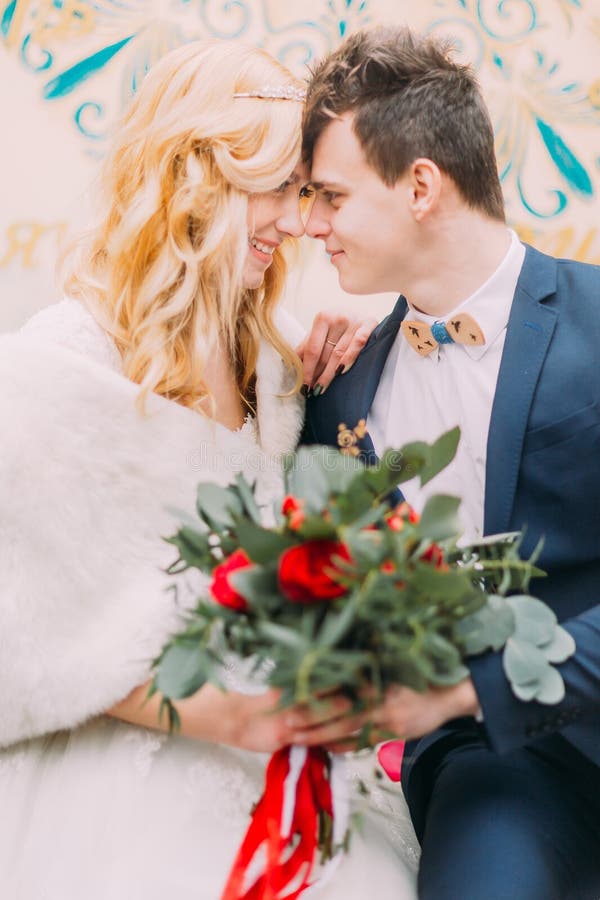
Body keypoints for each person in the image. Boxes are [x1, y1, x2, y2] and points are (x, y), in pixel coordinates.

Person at [0, 39, 421, 900]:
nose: (298, 221)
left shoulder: (274, 366)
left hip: (278, 753)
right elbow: (23, 639)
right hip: (126, 775)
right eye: (275, 188)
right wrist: (219, 714)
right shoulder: (62, 359)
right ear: (190, 180)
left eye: (306, 193)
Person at [296, 25, 600, 900]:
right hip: (494, 769)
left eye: (331, 197)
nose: (312, 224)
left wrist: (469, 682)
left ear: (421, 184)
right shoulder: (338, 394)